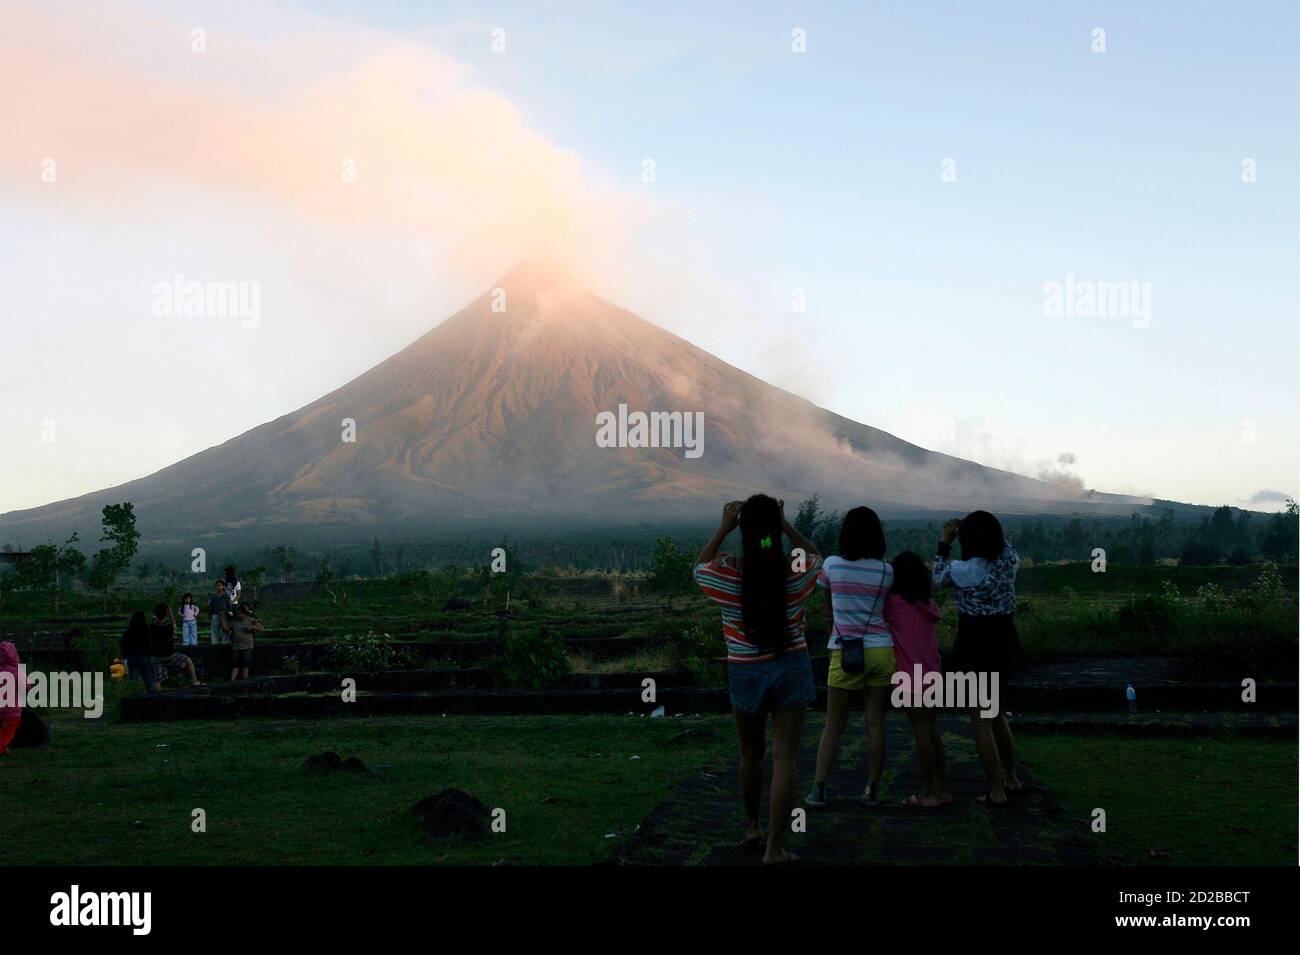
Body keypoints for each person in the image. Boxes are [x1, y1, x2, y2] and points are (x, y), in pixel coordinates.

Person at [694, 496, 821, 865]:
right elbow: (816, 559)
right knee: (786, 759)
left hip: (745, 670)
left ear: (742, 529)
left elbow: (699, 568)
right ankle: (774, 848)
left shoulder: (728, 574)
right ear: (775, 529)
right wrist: (784, 525)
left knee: (750, 753)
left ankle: (752, 826)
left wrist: (723, 528)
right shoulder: (793, 575)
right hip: (791, 666)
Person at [806, 506, 894, 807]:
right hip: (881, 649)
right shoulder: (886, 571)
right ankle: (872, 790)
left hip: (845, 651)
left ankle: (819, 789)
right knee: (876, 723)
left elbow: (826, 604)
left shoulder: (832, 565)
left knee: (834, 724)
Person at [933, 510, 1022, 806]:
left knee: (979, 720)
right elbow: (1003, 545)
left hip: (972, 644)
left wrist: (945, 541)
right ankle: (1010, 777)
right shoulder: (1008, 563)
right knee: (996, 712)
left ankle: (996, 791)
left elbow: (936, 578)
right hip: (1003, 639)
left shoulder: (960, 570)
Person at [886, 550, 950, 807]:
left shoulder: (894, 603)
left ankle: (929, 791)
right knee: (933, 729)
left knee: (920, 730)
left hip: (908, 674)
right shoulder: (929, 605)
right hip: (932, 671)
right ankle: (943, 788)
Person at [148, 603, 204, 689]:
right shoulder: (168, 626)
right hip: (170, 654)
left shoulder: (151, 627)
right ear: (165, 614)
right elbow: (174, 627)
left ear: (156, 614)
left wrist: (155, 620)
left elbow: (153, 627)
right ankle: (195, 681)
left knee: (157, 677)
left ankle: (158, 691)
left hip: (156, 656)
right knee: (188, 660)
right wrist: (170, 614)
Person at [0, 641, 27, 756]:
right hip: (12, 711)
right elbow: (26, 687)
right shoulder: (17, 672)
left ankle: (3, 747)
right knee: (7, 732)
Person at [120, 611, 155, 693]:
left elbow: (122, 645)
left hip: (132, 657)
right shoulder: (146, 629)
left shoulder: (129, 631)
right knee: (149, 680)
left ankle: (133, 697)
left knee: (133, 680)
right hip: (144, 656)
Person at [229, 602, 263, 682]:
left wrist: (252, 627)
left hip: (247, 645)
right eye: (236, 614)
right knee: (235, 663)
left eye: (239, 614)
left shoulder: (251, 620)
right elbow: (227, 629)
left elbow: (261, 628)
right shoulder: (234, 620)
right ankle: (232, 680)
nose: (237, 615)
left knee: (246, 663)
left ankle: (245, 679)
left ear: (244, 614)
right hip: (236, 645)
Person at [206, 580, 232, 645]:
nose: (218, 587)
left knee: (224, 630)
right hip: (215, 615)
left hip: (224, 615)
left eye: (220, 585)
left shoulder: (226, 595)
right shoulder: (213, 596)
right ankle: (214, 643)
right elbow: (210, 607)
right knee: (214, 630)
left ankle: (225, 643)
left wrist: (228, 613)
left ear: (223, 587)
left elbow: (229, 606)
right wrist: (209, 616)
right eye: (217, 586)